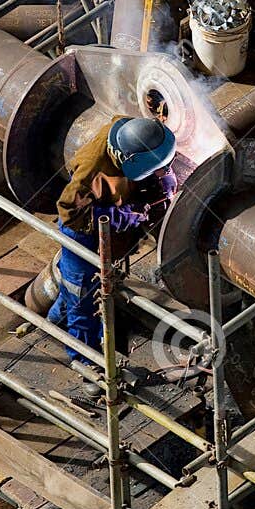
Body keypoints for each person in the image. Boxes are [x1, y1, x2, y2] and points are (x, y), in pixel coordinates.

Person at [47, 116, 178, 363]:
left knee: (78, 292)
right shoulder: (88, 176)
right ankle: (85, 363)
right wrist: (128, 215)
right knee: (83, 297)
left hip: (112, 206)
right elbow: (70, 213)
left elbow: (151, 152)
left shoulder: (131, 132)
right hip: (81, 232)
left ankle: (55, 317)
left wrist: (164, 176)